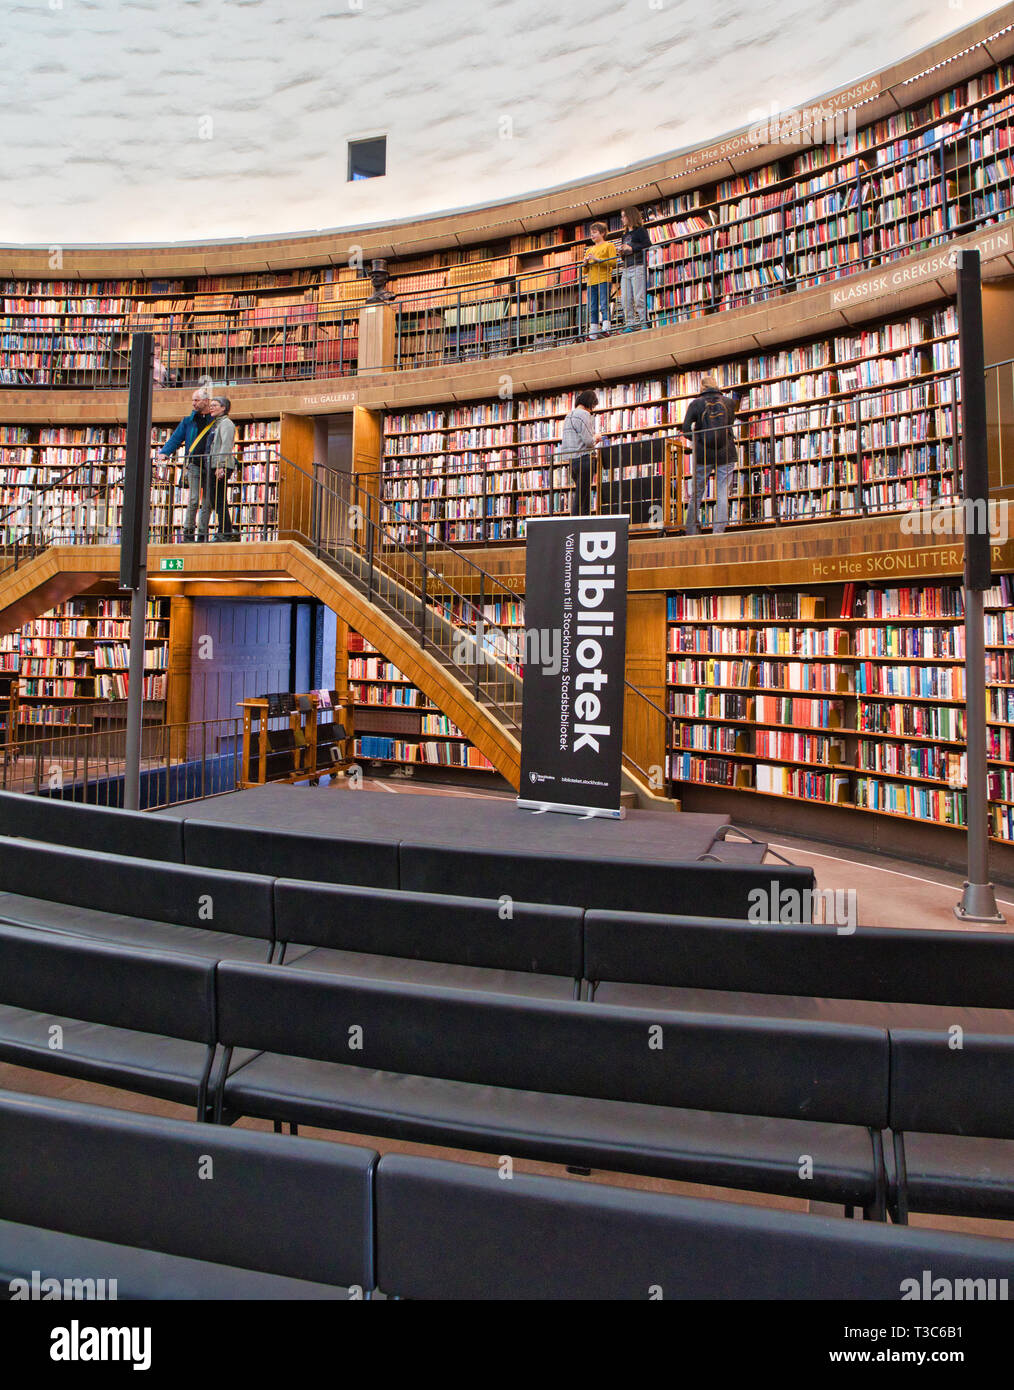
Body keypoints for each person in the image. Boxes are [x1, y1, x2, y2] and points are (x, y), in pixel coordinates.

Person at [680, 375, 742, 536]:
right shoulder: (729, 402)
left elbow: (685, 428)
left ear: (702, 387)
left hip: (703, 454)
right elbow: (730, 423)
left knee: (697, 493)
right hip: (726, 452)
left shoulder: (695, 404)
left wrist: (697, 437)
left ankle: (692, 531)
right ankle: (718, 531)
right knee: (722, 492)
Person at [157, 388, 216, 542]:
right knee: (194, 499)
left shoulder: (215, 420)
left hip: (211, 465)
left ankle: (203, 533)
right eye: (193, 400)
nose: (193, 403)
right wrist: (165, 452)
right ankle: (188, 532)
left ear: (206, 401)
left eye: (196, 400)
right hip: (194, 464)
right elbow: (176, 438)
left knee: (208, 501)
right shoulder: (189, 421)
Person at [558, 389, 600, 515]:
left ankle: (582, 521)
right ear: (589, 403)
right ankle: (576, 522)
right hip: (584, 459)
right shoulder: (584, 415)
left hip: (572, 461)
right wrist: (597, 438)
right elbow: (588, 442)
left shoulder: (568, 416)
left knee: (582, 493)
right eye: (592, 407)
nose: (591, 410)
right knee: (582, 495)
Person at [206, 396, 239, 541]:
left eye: (215, 405)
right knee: (216, 499)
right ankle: (225, 529)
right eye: (211, 405)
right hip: (215, 465)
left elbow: (225, 445)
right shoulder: (217, 424)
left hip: (221, 465)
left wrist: (221, 466)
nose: (211, 407)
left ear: (223, 408)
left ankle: (225, 531)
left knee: (219, 499)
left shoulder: (226, 424)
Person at [618, 207, 651, 331]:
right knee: (625, 298)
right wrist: (622, 252)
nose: (622, 219)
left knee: (639, 297)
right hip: (626, 267)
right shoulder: (624, 235)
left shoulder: (641, 231)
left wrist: (631, 248)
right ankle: (629, 324)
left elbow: (647, 244)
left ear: (630, 216)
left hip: (638, 266)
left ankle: (643, 322)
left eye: (623, 216)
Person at [582, 223, 617, 339]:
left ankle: (606, 328)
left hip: (603, 279)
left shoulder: (609, 246)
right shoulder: (589, 250)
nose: (592, 234)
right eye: (591, 232)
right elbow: (584, 271)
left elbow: (613, 262)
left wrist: (598, 260)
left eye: (595, 232)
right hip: (591, 282)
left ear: (602, 233)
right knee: (592, 307)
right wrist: (585, 263)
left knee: (604, 304)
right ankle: (593, 332)